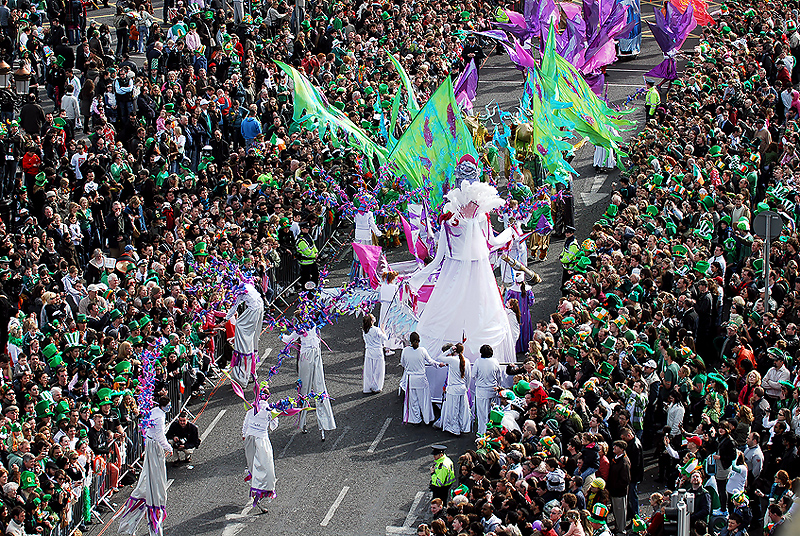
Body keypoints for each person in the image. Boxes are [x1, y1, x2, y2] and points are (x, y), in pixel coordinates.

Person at [117, 396, 173, 536]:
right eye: (169, 405)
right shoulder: (159, 417)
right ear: (164, 405)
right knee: (156, 489)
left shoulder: (155, 411)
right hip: (154, 448)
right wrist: (169, 448)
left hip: (151, 447)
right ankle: (152, 526)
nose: (170, 408)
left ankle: (130, 527)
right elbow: (160, 437)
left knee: (151, 486)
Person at [280, 314, 335, 440]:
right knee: (320, 387)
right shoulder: (313, 324)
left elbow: (289, 339)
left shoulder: (300, 328)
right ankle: (323, 426)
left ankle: (303, 422)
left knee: (304, 389)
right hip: (316, 354)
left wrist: (282, 336)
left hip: (306, 357)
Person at [223, 282, 265, 388]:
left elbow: (234, 307)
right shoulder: (247, 286)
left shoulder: (241, 291)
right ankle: (251, 373)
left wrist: (226, 319)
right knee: (251, 340)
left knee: (241, 329)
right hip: (259, 308)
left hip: (254, 311)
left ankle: (242, 378)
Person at [432, 343, 472, 436]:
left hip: (453, 389)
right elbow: (468, 377)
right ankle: (463, 427)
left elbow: (440, 357)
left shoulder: (452, 360)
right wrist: (466, 387)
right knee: (462, 409)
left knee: (453, 410)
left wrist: (449, 350)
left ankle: (455, 428)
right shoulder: (467, 361)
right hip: (462, 388)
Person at [399, 332, 436, 425]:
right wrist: (439, 364)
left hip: (410, 379)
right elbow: (430, 361)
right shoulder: (422, 350)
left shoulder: (405, 351)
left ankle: (416, 418)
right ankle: (427, 418)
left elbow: (402, 363)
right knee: (424, 400)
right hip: (421, 379)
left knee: (413, 400)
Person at [473, 344, 502, 435]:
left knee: (482, 413)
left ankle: (482, 432)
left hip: (481, 390)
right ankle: (492, 432)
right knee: (492, 412)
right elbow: (499, 376)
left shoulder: (478, 362)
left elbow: (473, 375)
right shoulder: (495, 361)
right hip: (492, 389)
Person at [362, 314, 389, 393]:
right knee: (378, 370)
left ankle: (367, 387)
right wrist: (383, 330)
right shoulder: (376, 330)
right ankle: (377, 387)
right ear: (371, 321)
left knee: (369, 370)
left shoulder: (364, 330)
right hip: (378, 351)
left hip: (369, 352)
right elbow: (385, 338)